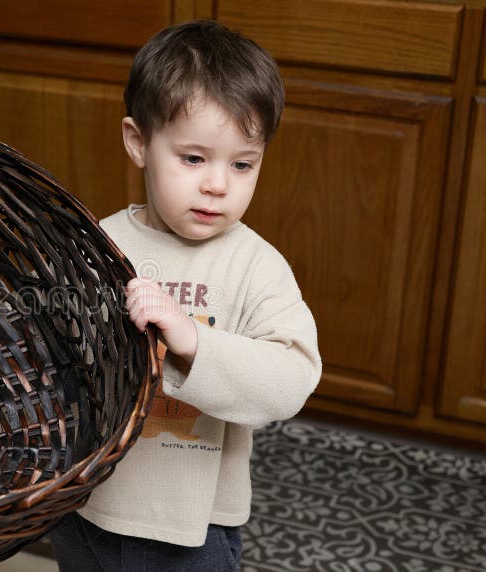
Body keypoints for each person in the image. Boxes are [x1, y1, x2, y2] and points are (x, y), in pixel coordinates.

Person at [48, 19, 322, 571]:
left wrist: (193, 341)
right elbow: (48, 360)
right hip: (84, 507)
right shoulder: (95, 246)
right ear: (138, 142)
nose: (218, 184)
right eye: (194, 158)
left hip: (191, 531)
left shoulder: (255, 266)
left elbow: (292, 380)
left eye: (242, 164)